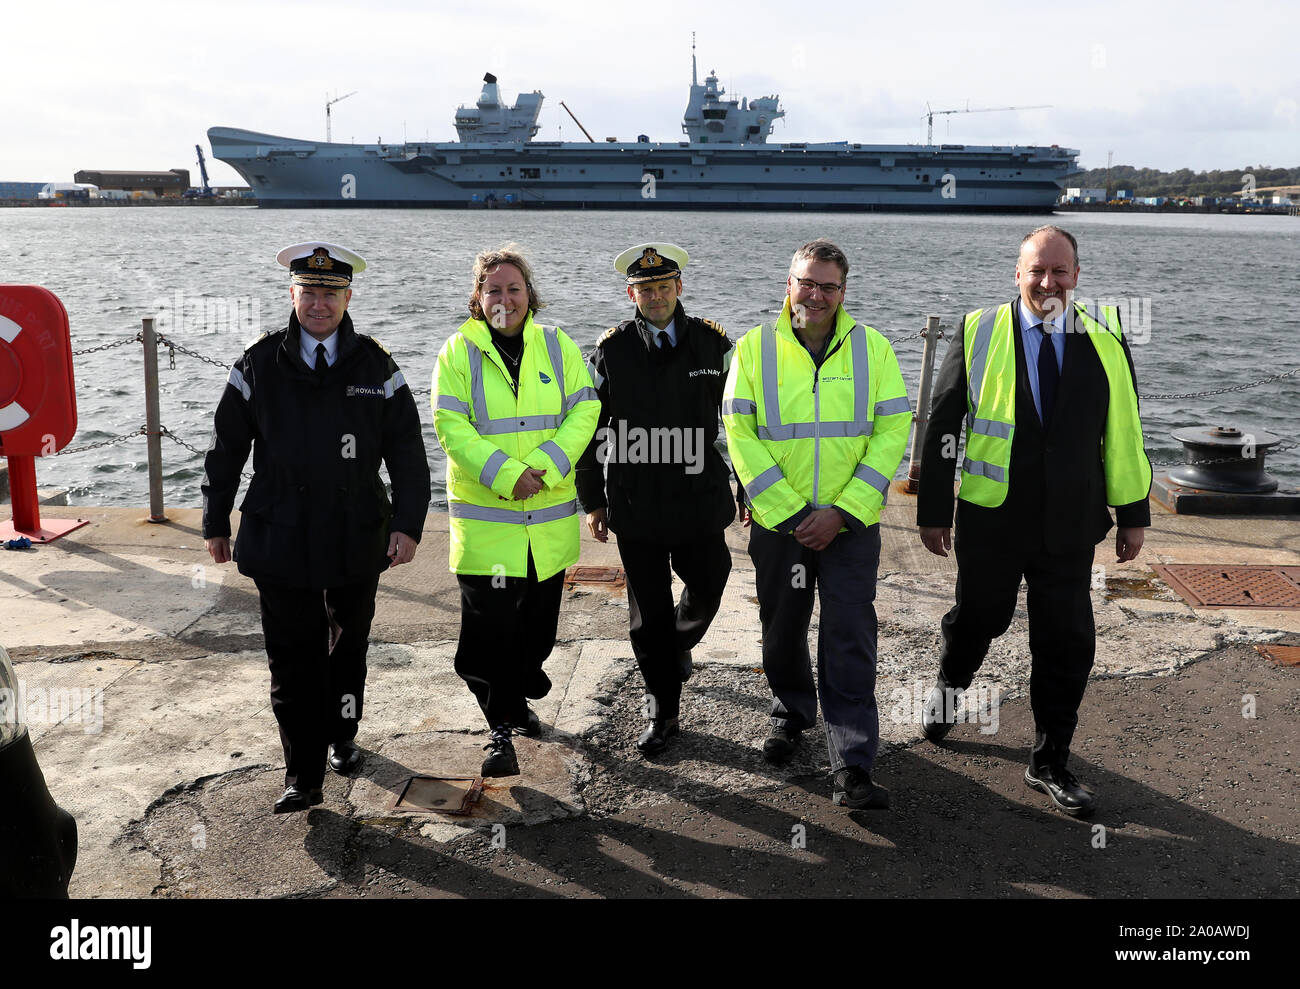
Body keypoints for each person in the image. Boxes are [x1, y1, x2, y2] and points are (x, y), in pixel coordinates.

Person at [916, 224, 1151, 818]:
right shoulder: (977, 330)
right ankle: (949, 690)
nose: (1048, 283)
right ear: (1016, 274)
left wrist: (1132, 515)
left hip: (1070, 524)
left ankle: (1050, 761)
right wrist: (933, 509)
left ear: (1077, 276)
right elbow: (943, 428)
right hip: (993, 518)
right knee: (979, 619)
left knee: (1067, 641)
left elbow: (1123, 433)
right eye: (1036, 271)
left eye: (1060, 271)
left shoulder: (1105, 337)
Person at [201, 241, 431, 814]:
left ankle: (343, 736)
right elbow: (225, 448)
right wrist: (215, 519)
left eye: (330, 293)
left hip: (356, 533)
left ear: (348, 296)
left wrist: (408, 524)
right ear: (292, 295)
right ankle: (302, 775)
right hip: (279, 533)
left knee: (348, 649)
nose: (319, 304)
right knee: (292, 658)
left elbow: (407, 451)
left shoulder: (376, 366)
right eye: (309, 291)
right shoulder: (257, 364)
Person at [723, 239, 911, 809]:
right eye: (807, 282)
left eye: (828, 285)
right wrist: (790, 512)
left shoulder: (873, 349)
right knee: (782, 624)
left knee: (849, 633)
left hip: (850, 527)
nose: (817, 294)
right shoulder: (754, 348)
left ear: (843, 292)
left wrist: (844, 510)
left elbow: (891, 431)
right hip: (783, 526)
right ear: (789, 285)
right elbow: (739, 431)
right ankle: (791, 713)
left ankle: (853, 761)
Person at [432, 246, 599, 778]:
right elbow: (450, 427)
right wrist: (508, 474)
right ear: (477, 298)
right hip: (489, 528)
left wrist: (546, 466)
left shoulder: (558, 345)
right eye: (493, 289)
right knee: (489, 633)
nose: (504, 299)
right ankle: (499, 730)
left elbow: (586, 407)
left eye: (514, 288)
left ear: (530, 294)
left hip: (546, 524)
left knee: (538, 632)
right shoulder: (457, 352)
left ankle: (521, 686)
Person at [575, 243, 736, 755]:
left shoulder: (715, 347)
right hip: (636, 499)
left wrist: (751, 486)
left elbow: (741, 423)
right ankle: (663, 710)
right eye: (645, 289)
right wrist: (592, 498)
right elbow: (586, 428)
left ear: (679, 288)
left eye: (664, 286)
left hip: (698, 495)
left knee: (711, 579)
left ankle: (677, 645)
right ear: (631, 294)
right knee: (647, 613)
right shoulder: (612, 351)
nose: (656, 296)